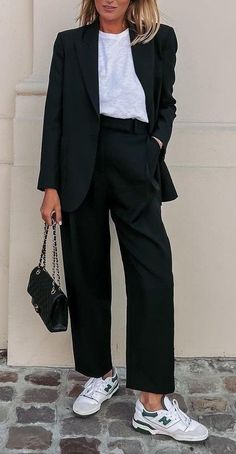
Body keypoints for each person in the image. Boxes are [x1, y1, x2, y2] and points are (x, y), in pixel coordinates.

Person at [37, 0, 208, 442]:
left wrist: (153, 145)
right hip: (81, 168)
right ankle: (101, 371)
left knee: (153, 275)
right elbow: (54, 114)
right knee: (87, 271)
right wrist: (50, 185)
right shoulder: (69, 44)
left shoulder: (160, 39)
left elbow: (166, 102)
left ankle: (152, 403)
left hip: (135, 157)